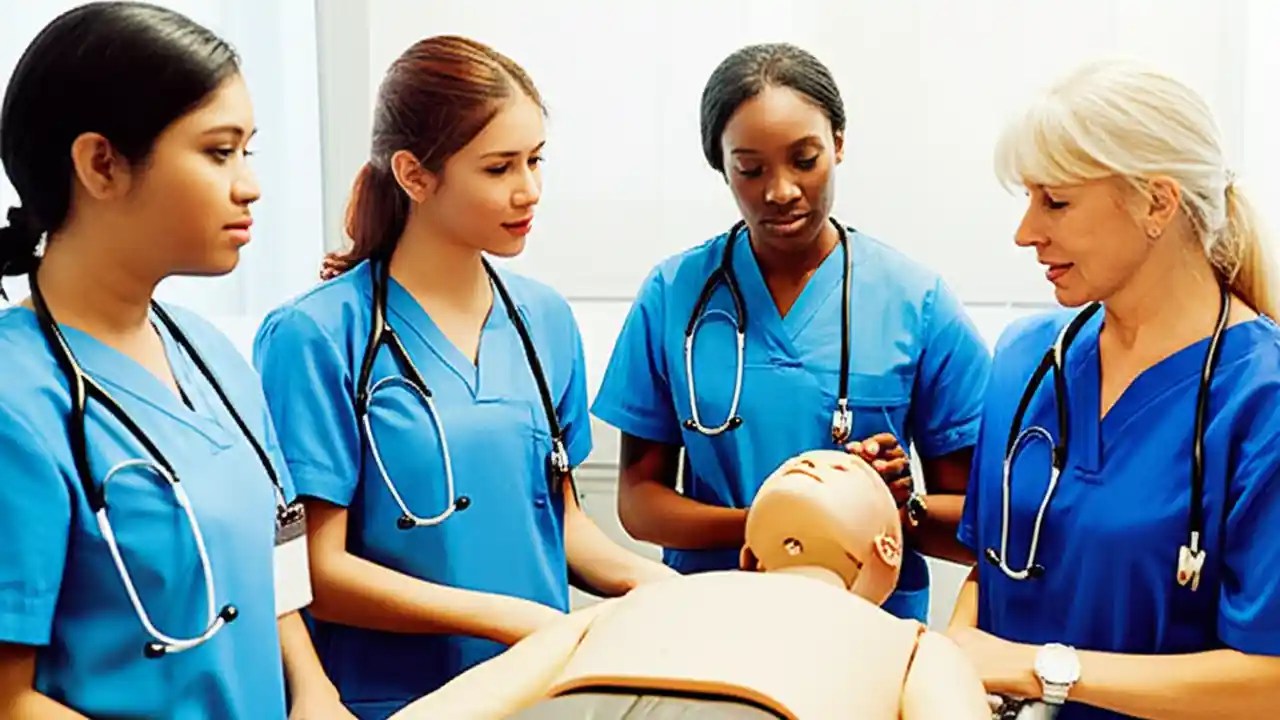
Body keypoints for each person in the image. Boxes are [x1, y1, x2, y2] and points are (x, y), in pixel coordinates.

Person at [252, 35, 674, 720]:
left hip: (541, 692)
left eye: (536, 160)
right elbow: (314, 572)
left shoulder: (544, 321)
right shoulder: (315, 337)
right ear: (415, 176)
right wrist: (509, 620)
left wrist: (656, 586)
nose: (529, 190)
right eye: (499, 167)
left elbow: (561, 523)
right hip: (394, 702)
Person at [0, 3, 349, 718]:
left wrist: (317, 694)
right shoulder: (17, 401)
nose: (249, 185)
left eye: (248, 151)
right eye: (219, 152)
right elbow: (9, 701)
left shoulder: (216, 359)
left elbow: (277, 559)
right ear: (101, 164)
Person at [588, 42, 992, 623]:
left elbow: (970, 530)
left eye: (805, 160)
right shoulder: (674, 295)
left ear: (840, 145)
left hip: (867, 627)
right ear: (720, 165)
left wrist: (895, 504)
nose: (780, 190)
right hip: (708, 617)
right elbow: (640, 505)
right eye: (750, 169)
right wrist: (778, 523)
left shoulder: (914, 302)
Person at [947, 59, 1280, 719]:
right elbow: (992, 566)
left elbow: (1268, 681)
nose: (1025, 232)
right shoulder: (1025, 359)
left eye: (1057, 202)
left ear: (1157, 201)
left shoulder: (1259, 401)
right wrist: (956, 655)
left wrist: (1039, 669)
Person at [387, 449, 991, 720]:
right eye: (791, 467)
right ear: (750, 553)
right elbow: (476, 699)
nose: (807, 462)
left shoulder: (909, 642)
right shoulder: (653, 599)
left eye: (838, 468)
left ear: (887, 548)